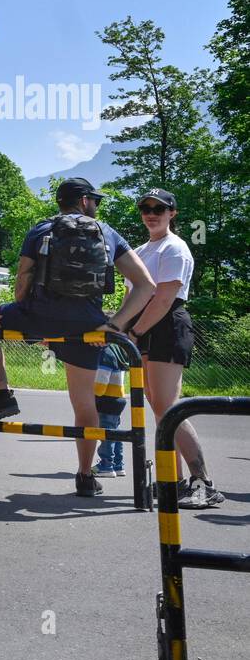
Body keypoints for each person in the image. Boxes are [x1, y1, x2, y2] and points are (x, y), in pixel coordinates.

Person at [0, 177, 156, 497]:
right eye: (94, 200)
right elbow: (146, 286)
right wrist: (116, 326)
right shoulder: (107, 232)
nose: (97, 205)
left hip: (37, 317)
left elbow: (23, 280)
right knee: (84, 403)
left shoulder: (41, 229)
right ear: (84, 200)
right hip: (87, 326)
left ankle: (2, 394)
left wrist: (30, 320)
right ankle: (85, 475)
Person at [126, 188, 223, 509]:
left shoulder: (175, 248)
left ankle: (203, 483)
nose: (151, 213)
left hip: (166, 324)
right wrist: (122, 328)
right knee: (157, 406)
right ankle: (174, 481)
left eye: (159, 208)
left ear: (172, 213)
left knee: (169, 407)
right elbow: (134, 297)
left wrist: (136, 331)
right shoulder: (140, 250)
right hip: (142, 327)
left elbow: (165, 298)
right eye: (145, 208)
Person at [91, 342, 129, 478]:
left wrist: (89, 391)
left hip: (106, 400)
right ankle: (118, 465)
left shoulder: (105, 353)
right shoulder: (117, 349)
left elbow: (101, 384)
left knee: (106, 435)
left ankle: (106, 465)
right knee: (115, 434)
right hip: (117, 399)